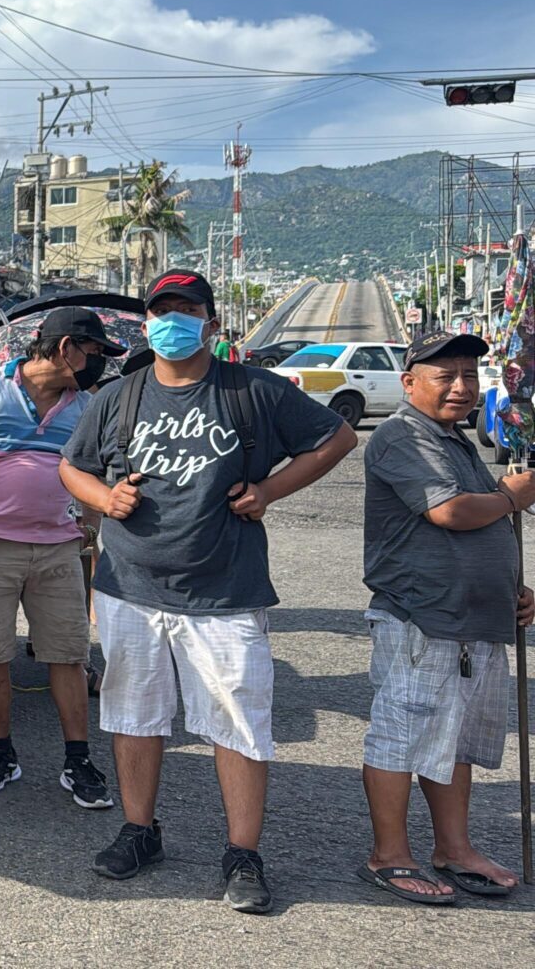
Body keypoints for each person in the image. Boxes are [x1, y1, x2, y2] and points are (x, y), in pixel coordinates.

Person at [59, 269, 357, 914]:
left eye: (185, 309)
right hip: (130, 585)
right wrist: (105, 498)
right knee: (135, 717)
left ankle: (242, 854)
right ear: (147, 323)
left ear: (212, 323)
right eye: (160, 309)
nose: (172, 320)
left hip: (225, 589)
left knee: (239, 724)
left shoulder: (252, 389)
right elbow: (71, 466)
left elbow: (337, 437)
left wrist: (270, 491)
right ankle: (140, 832)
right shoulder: (119, 395)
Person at [357, 331, 535, 903]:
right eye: (445, 376)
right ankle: (389, 854)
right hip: (422, 618)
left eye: (469, 375)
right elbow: (450, 511)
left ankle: (453, 849)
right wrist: (514, 497)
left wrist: (514, 585)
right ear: (409, 383)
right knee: (400, 739)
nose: (461, 387)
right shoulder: (402, 435)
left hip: (473, 621)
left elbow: (477, 522)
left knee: (453, 742)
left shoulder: (452, 439)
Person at [0, 307, 120, 808]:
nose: (98, 363)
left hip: (60, 549)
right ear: (66, 349)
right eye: (95, 352)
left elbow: (96, 470)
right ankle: (0, 754)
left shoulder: (87, 405)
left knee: (68, 655)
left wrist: (91, 527)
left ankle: (78, 759)